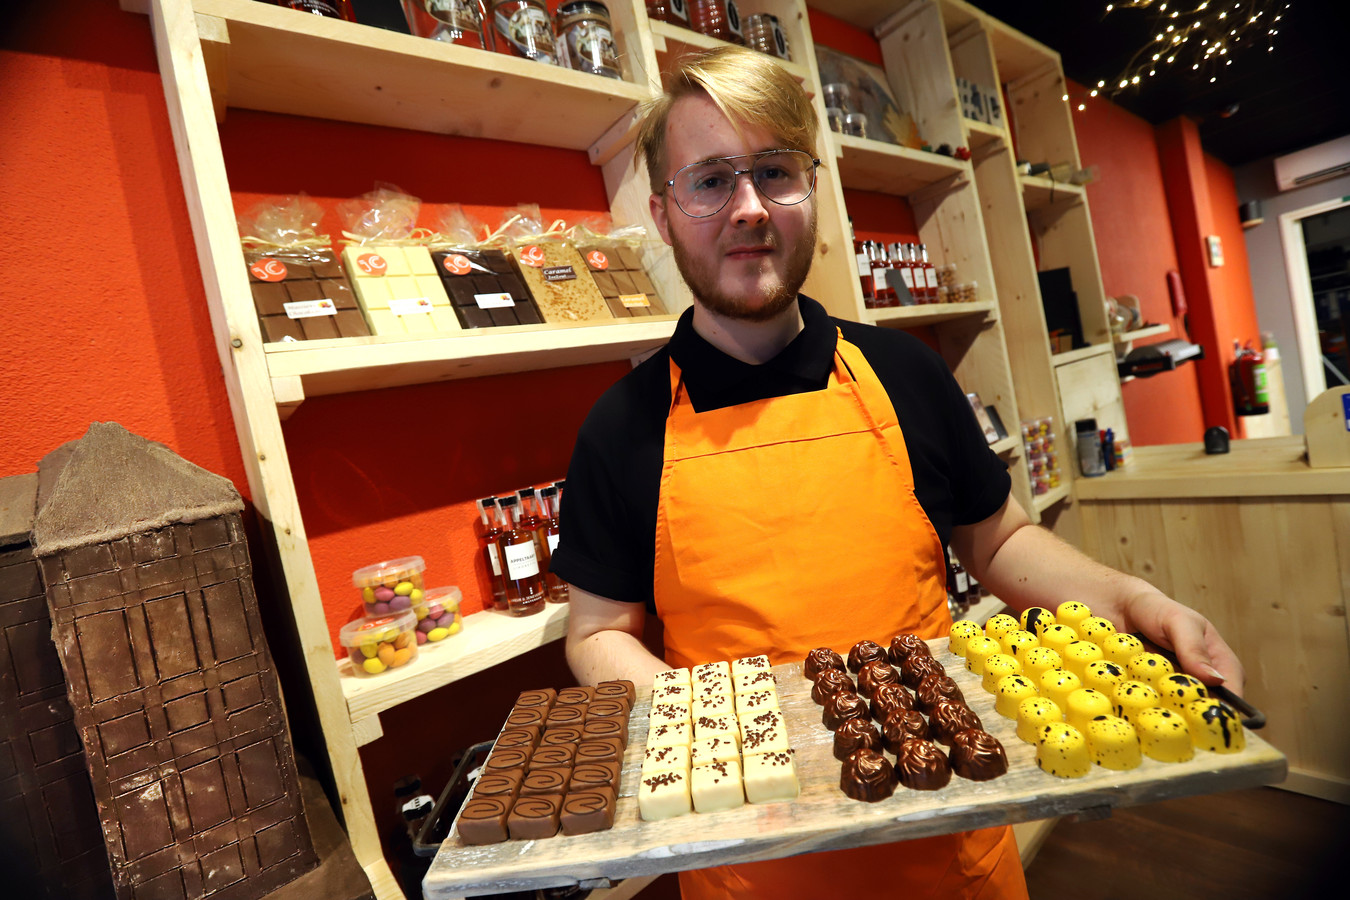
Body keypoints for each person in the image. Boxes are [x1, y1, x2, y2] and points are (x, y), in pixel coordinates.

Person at [549, 45, 1243, 900]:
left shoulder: (905, 373)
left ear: (814, 189)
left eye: (775, 172)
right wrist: (715, 736)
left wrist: (1135, 601)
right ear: (662, 213)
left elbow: (999, 538)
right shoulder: (621, 428)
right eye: (710, 180)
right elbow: (597, 631)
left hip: (950, 843)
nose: (749, 209)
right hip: (753, 866)